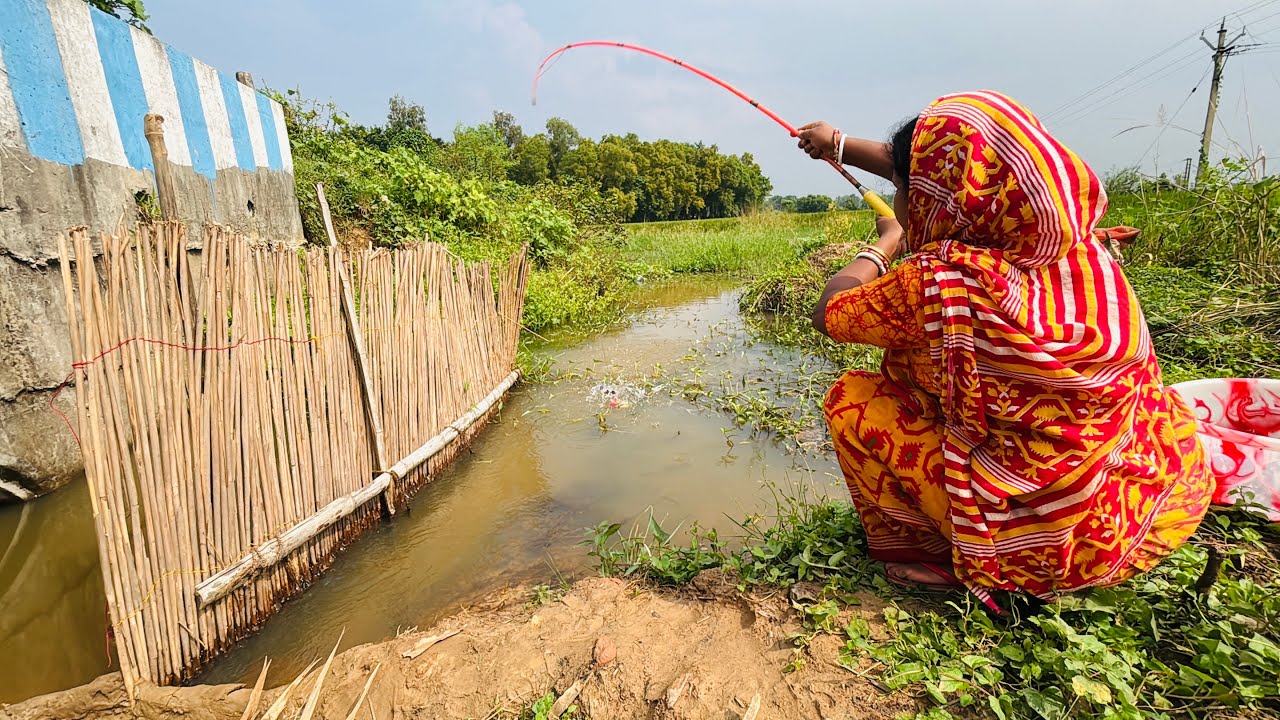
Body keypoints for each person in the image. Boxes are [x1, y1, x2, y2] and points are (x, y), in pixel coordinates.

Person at [794, 91, 1215, 604]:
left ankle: (949, 556)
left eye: (903, 186)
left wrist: (885, 242)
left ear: (935, 197)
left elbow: (829, 311)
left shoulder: (940, 283)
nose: (902, 194)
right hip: (1134, 503)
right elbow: (949, 172)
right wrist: (838, 144)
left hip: (1048, 546)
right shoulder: (1080, 246)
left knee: (852, 399)